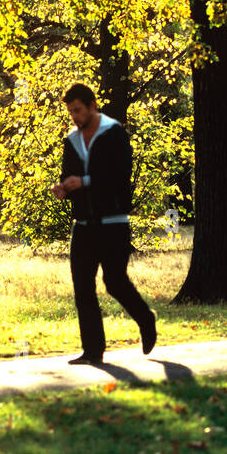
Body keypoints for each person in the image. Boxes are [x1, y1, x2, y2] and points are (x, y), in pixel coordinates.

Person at [51, 83, 156, 365]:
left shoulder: (114, 133)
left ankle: (146, 319)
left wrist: (83, 182)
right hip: (83, 223)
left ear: (92, 106)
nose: (73, 116)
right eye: (70, 111)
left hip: (113, 221)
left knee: (114, 281)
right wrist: (63, 188)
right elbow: (69, 175)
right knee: (82, 285)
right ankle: (93, 351)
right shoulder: (71, 140)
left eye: (77, 110)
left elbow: (120, 176)